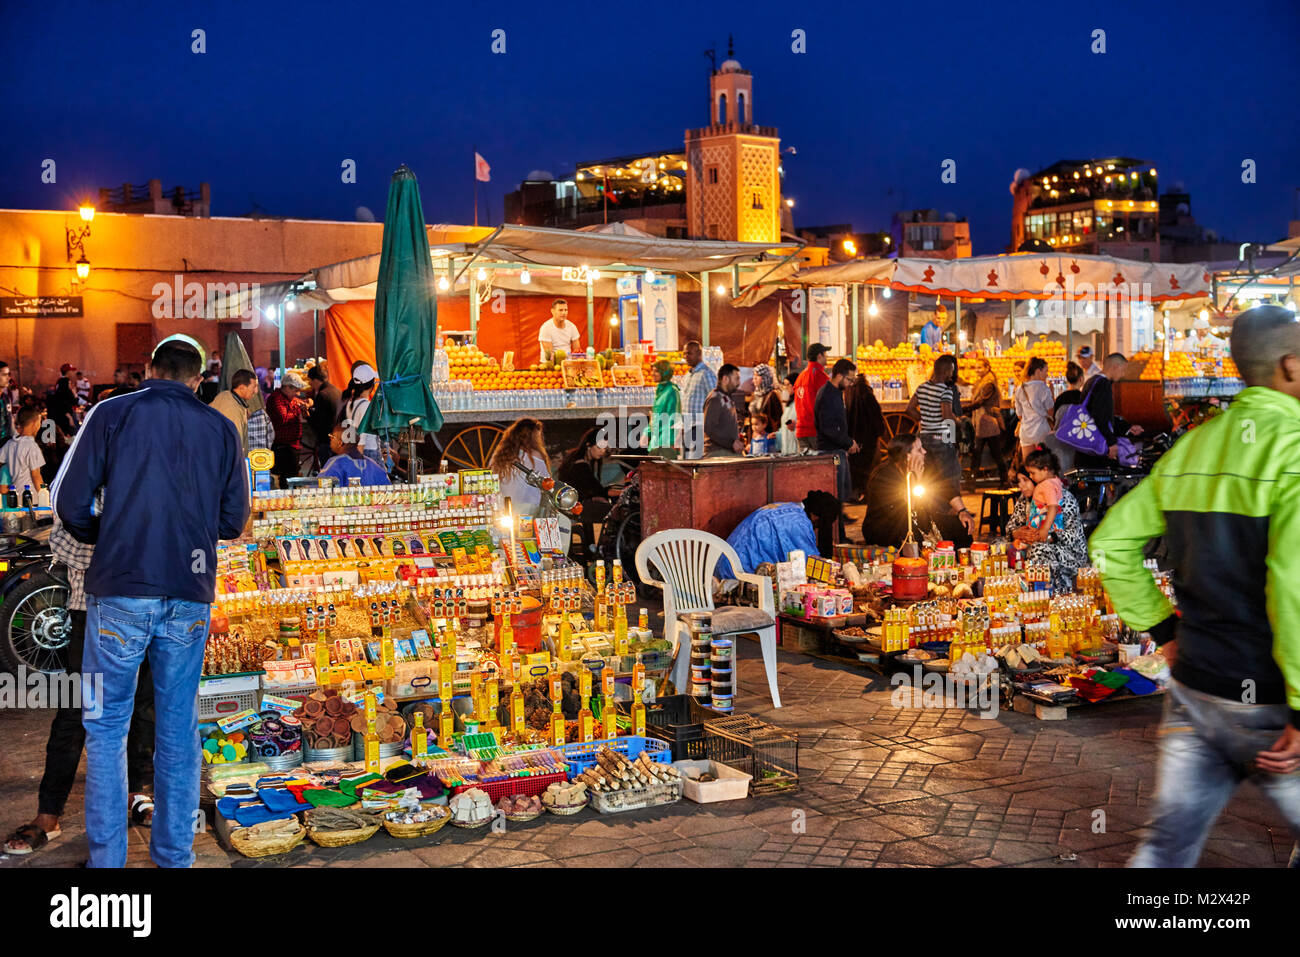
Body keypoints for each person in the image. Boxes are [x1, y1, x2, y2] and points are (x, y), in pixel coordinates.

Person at [1090, 305, 1300, 868]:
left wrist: (1163, 630)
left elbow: (1110, 544)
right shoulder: (1293, 449)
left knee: (1164, 852)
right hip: (1270, 700)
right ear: (1291, 365)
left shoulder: (1193, 448)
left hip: (1196, 688)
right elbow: (1293, 585)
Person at [52, 339, 249, 869]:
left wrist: (108, 533)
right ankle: (173, 857)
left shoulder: (110, 414)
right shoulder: (219, 428)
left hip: (120, 588)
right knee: (178, 725)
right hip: (189, 592)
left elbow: (68, 501)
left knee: (107, 725)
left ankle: (108, 863)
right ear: (198, 379)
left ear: (148, 370)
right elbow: (233, 522)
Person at [1, 519, 157, 858]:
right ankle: (48, 815)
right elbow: (63, 545)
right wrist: (124, 550)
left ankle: (139, 793)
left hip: (146, 607)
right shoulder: (86, 473)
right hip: (92, 610)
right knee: (75, 712)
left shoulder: (148, 475)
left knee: (145, 704)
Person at [862, 433, 973, 548]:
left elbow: (945, 487)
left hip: (918, 519)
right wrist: (915, 480)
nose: (924, 452)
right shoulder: (884, 476)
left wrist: (962, 511)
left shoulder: (924, 466)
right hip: (889, 526)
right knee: (914, 536)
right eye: (919, 449)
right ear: (907, 456)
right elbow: (904, 510)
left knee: (960, 525)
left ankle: (963, 561)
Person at [1004, 462, 1088, 594]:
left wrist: (1048, 537)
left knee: (1039, 548)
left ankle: (1050, 593)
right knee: (1000, 546)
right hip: (1034, 546)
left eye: (1025, 480)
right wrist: (1017, 533)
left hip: (1069, 553)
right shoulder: (1025, 499)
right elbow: (1010, 527)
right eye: (1019, 481)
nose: (1021, 486)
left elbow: (1073, 536)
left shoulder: (1064, 498)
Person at [906, 353, 962, 494]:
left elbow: (909, 409)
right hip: (941, 438)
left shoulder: (922, 388)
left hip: (924, 437)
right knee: (950, 473)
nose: (952, 373)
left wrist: (924, 419)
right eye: (951, 370)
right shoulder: (946, 391)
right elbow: (947, 417)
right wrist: (958, 422)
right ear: (945, 372)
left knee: (929, 473)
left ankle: (930, 504)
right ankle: (954, 508)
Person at [558, 427, 616, 557]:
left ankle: (592, 546)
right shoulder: (580, 465)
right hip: (573, 508)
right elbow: (598, 490)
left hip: (574, 505)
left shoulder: (577, 459)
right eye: (600, 447)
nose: (603, 452)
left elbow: (594, 489)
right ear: (589, 445)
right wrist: (621, 492)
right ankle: (603, 548)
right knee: (615, 513)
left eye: (605, 449)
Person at [815, 358, 859, 501]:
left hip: (838, 450)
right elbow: (829, 427)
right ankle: (837, 522)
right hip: (831, 452)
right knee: (836, 490)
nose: (851, 384)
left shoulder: (835, 392)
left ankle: (840, 519)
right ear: (839, 376)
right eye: (849, 380)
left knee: (842, 489)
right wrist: (848, 443)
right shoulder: (828, 395)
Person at [490, 417, 551, 512]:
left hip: (504, 509)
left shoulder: (498, 457)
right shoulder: (535, 456)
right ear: (534, 436)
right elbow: (548, 485)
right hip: (529, 510)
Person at [846, 372, 886, 501]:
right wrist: (880, 431)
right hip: (868, 438)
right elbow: (876, 416)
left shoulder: (849, 395)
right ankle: (868, 493)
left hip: (854, 438)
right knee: (870, 466)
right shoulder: (867, 395)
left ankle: (855, 491)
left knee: (856, 465)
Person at [968, 356, 1007, 486]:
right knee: (978, 452)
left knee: (994, 453)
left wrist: (964, 409)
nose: (977, 370)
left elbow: (981, 402)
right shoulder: (982, 382)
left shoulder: (988, 383)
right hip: (983, 422)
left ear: (987, 368)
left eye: (980, 367)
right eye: (975, 367)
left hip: (988, 422)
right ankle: (972, 482)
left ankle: (1004, 480)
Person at [267, 371, 308, 487]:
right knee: (287, 479)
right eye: (295, 390)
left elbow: (300, 403)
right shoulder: (276, 398)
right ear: (286, 387)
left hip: (293, 445)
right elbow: (283, 418)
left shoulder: (291, 399)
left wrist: (306, 405)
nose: (297, 393)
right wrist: (298, 410)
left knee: (292, 477)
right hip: (283, 446)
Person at [318, 423, 390, 486]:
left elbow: (320, 491)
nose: (330, 440)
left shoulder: (336, 464)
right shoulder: (374, 465)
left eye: (332, 437)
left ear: (340, 443)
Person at [680, 340, 716, 460]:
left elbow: (714, 400)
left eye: (689, 353)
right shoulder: (688, 375)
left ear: (699, 354)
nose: (686, 357)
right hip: (687, 426)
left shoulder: (706, 374)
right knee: (686, 464)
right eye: (684, 354)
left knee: (695, 462)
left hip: (699, 427)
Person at [1014, 356, 1055, 464]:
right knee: (1042, 465)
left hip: (1026, 432)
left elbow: (1019, 415)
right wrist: (1052, 394)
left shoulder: (1020, 388)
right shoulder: (1043, 387)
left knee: (1028, 465)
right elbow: (1051, 411)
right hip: (1041, 432)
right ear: (1038, 371)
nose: (1047, 374)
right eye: (1045, 371)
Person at [210, 369, 260, 456]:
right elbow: (235, 446)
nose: (256, 391)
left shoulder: (226, 395)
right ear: (241, 387)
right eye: (254, 387)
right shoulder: (232, 409)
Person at [338, 362, 380, 460]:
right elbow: (363, 437)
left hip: (353, 451)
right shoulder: (366, 405)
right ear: (371, 385)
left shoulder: (350, 403)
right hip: (367, 453)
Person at [0, 406, 47, 494]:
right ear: (35, 423)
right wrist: (44, 497)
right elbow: (36, 475)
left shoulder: (10, 443)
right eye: (40, 422)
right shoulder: (32, 446)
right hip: (30, 496)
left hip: (15, 494)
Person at [794, 343, 831, 451]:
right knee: (827, 464)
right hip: (816, 432)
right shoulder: (820, 376)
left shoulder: (800, 376)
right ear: (819, 356)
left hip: (801, 432)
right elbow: (827, 404)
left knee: (806, 466)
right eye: (825, 354)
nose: (827, 357)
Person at [703, 363, 744, 458]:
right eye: (736, 379)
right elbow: (709, 428)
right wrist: (731, 443)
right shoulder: (715, 398)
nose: (739, 383)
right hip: (718, 453)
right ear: (725, 379)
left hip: (727, 451)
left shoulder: (725, 397)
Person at [305, 363, 341, 468]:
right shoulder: (337, 391)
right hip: (338, 440)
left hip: (326, 441)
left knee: (328, 473)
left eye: (310, 381)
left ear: (315, 380)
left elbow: (319, 422)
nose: (310, 384)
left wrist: (307, 414)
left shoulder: (322, 395)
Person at [647, 358, 680, 456]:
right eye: (653, 371)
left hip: (666, 442)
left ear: (665, 372)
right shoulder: (660, 390)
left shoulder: (672, 391)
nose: (652, 374)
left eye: (656, 371)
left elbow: (674, 416)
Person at [749, 364, 784, 454]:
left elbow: (778, 419)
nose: (754, 379)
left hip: (768, 440)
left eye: (757, 376)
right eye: (754, 376)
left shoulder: (772, 395)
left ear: (765, 377)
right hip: (755, 439)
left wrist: (775, 434)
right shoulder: (755, 395)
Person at [537, 298, 581, 363]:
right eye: (560, 310)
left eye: (566, 310)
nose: (564, 313)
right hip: (550, 365)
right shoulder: (546, 328)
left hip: (567, 363)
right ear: (552, 311)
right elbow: (549, 355)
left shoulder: (572, 326)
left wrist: (574, 362)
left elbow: (577, 350)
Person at [778, 372, 799, 455]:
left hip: (796, 447)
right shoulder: (789, 404)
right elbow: (785, 423)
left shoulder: (801, 402)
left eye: (788, 384)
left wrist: (796, 424)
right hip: (787, 448)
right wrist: (777, 434)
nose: (786, 388)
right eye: (785, 385)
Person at [0, 361, 13, 445]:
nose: (8, 378)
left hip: (7, 446)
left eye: (9, 374)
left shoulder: (5, 398)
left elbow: (9, 422)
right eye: (4, 375)